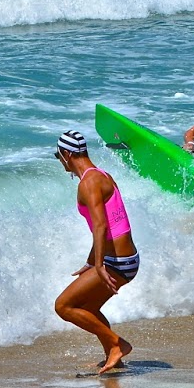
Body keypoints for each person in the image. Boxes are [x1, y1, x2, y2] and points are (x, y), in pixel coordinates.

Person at [54, 130, 139, 374]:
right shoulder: (101, 175)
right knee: (87, 307)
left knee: (63, 306)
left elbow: (101, 226)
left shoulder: (89, 182)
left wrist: (99, 265)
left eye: (58, 156)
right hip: (123, 259)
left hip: (116, 262)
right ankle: (113, 354)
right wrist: (92, 262)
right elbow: (109, 226)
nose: (60, 162)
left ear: (67, 154)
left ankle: (117, 344)